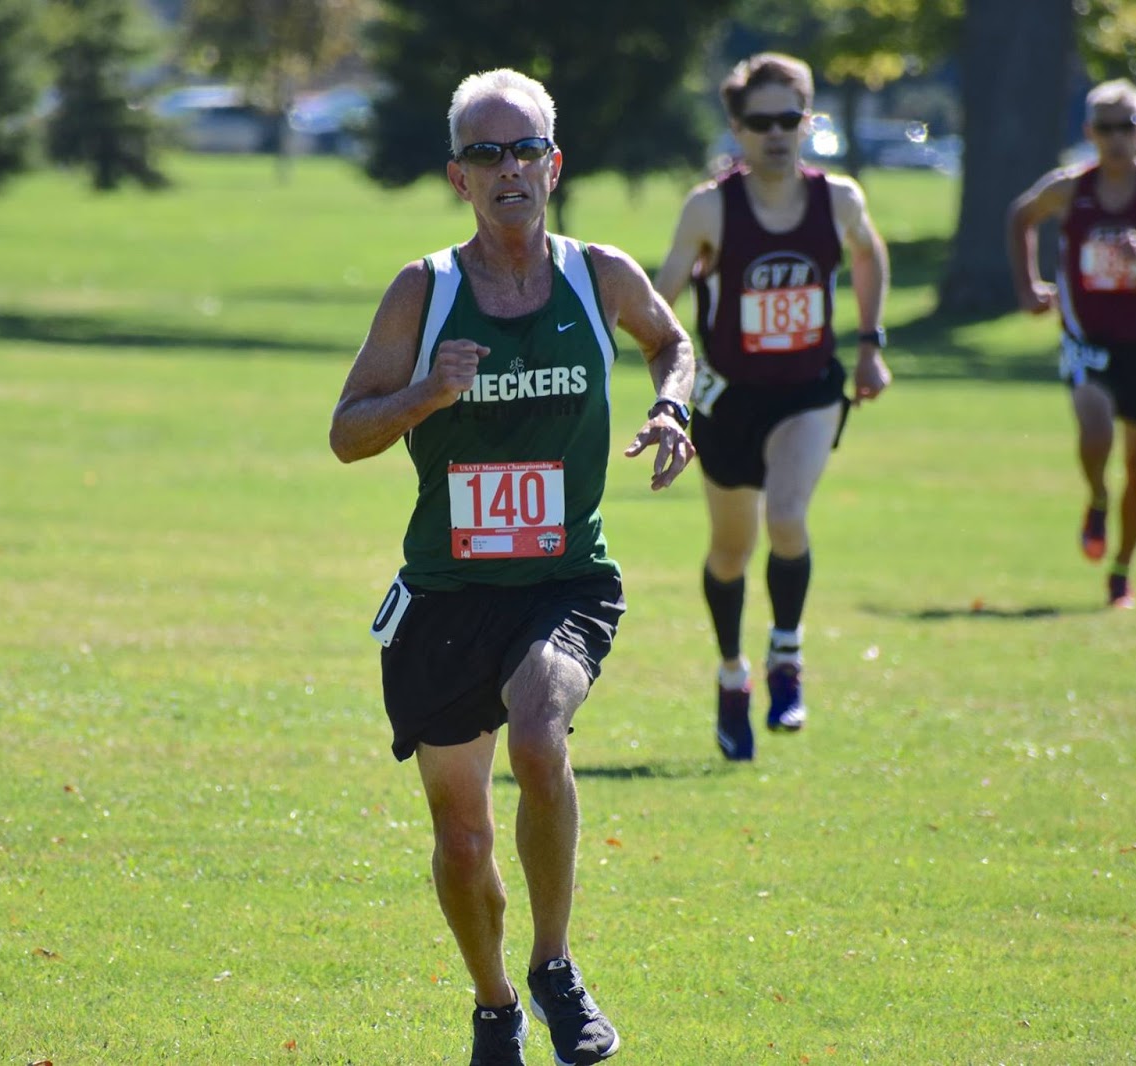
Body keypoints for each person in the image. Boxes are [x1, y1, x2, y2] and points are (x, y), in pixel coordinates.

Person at [329, 68, 696, 1066]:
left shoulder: (598, 272)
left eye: (524, 148)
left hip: (562, 579)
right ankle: (494, 1002)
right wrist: (423, 397)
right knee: (462, 842)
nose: (509, 169)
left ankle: (554, 966)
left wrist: (673, 407)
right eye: (486, 153)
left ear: (553, 162)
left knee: (539, 733)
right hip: (446, 593)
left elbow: (671, 344)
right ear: (459, 176)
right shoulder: (427, 290)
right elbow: (346, 433)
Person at [652, 53, 891, 761]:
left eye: (790, 118)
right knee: (732, 550)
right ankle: (733, 676)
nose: (778, 134)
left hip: (810, 390)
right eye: (762, 122)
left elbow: (871, 258)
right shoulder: (710, 207)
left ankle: (788, 655)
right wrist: (673, 378)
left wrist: (872, 342)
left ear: (808, 120)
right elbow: (659, 304)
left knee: (787, 514)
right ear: (738, 128)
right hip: (729, 399)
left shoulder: (838, 200)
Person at [1007, 79, 1136, 610]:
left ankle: (1121, 568)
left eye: (1126, 127)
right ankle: (1096, 498)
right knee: (1093, 427)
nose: (1116, 138)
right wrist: (1029, 288)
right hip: (1085, 338)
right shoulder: (1070, 188)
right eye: (1105, 128)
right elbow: (1020, 215)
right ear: (1089, 132)